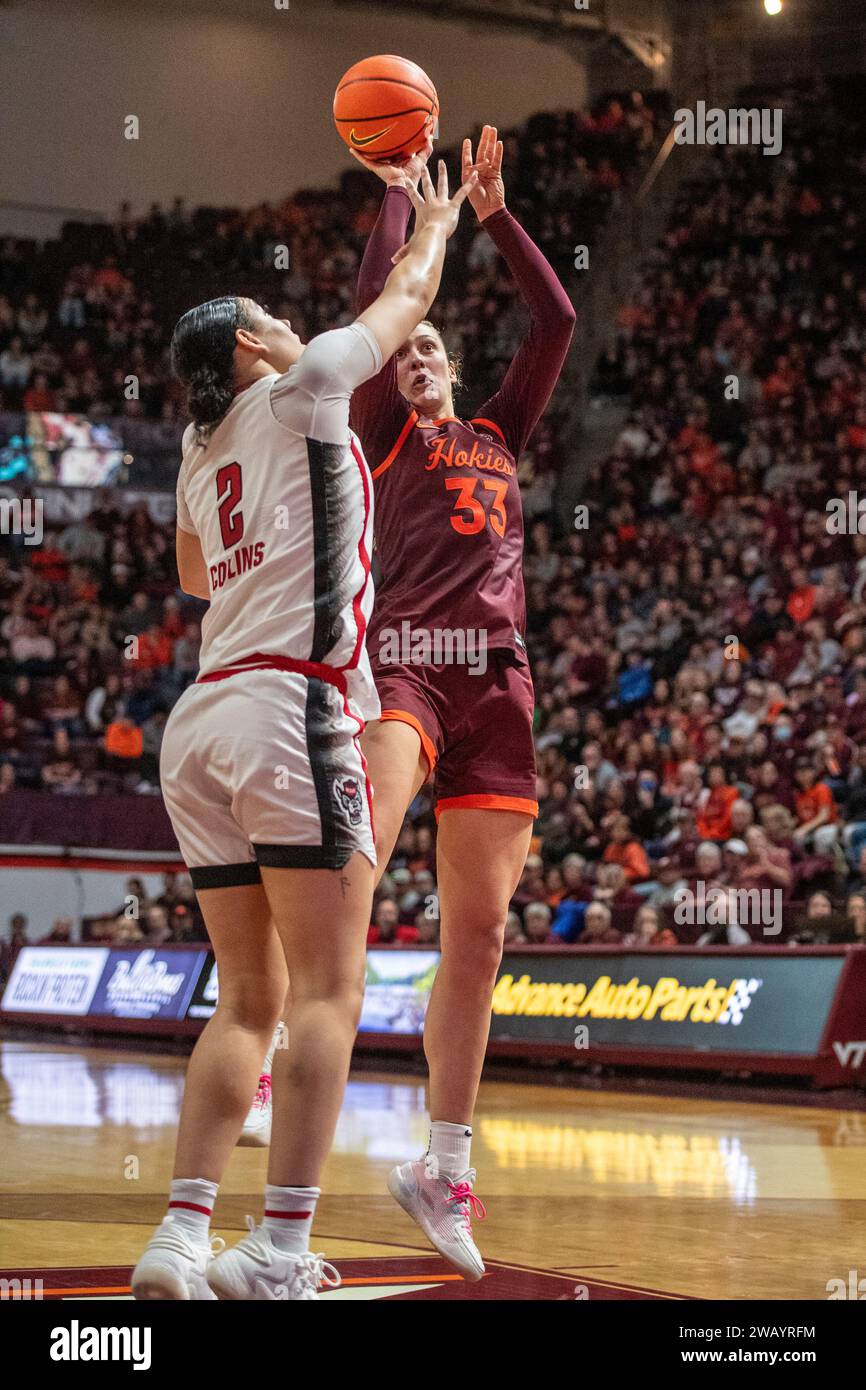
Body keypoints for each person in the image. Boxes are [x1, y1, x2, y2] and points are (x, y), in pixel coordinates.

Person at [132, 161, 475, 1302]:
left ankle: (180, 1239)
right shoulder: (312, 380)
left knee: (247, 996)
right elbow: (408, 301)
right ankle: (277, 1249)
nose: (288, 322)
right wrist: (433, 223)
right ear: (244, 351)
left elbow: (191, 571)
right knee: (328, 988)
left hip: (202, 720)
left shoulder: (196, 450)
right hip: (293, 702)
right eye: (266, 319)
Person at [345, 126, 575, 1281]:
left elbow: (557, 325)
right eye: (410, 345)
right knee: (362, 857)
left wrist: (491, 215)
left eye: (434, 345)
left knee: (476, 939)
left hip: (500, 683)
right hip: (406, 665)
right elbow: (372, 306)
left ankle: (441, 1166)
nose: (421, 351)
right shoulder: (379, 434)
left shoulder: (497, 431)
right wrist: (397, 198)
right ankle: (285, 1037)